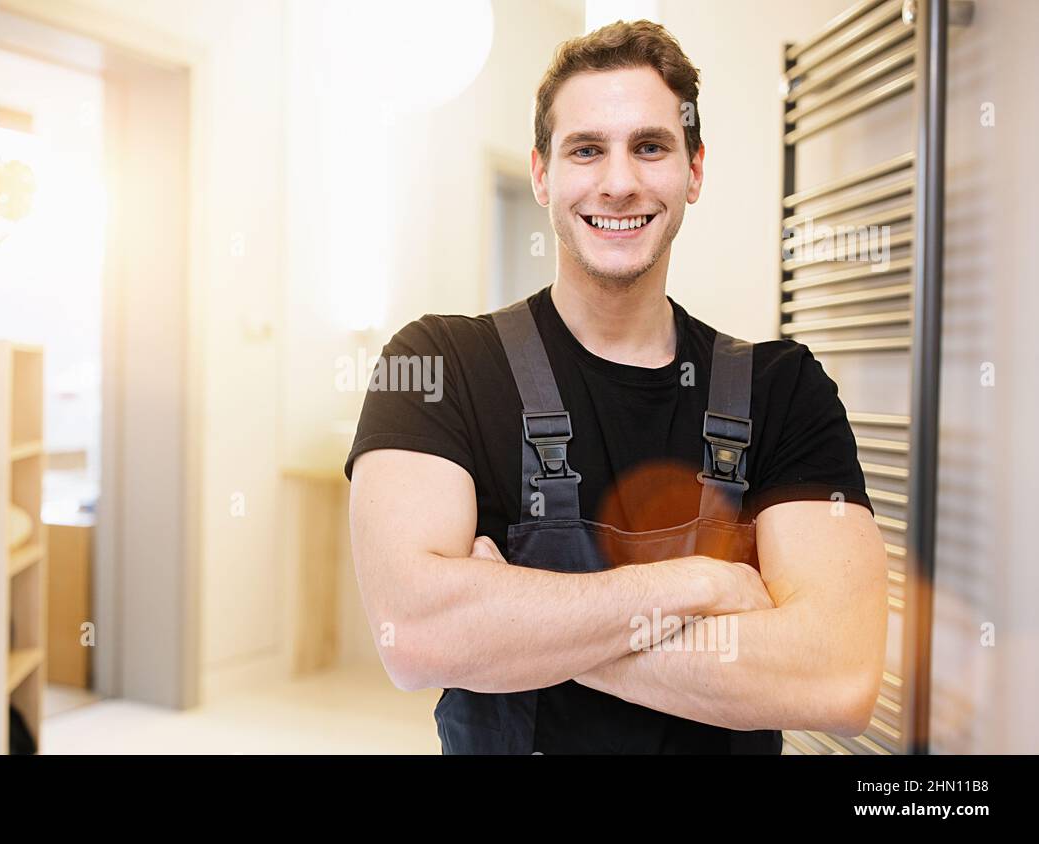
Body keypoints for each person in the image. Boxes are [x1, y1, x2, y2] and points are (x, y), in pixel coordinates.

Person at [344, 20, 888, 754]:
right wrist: (696, 585)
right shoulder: (441, 365)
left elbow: (837, 678)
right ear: (543, 174)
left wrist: (511, 628)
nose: (619, 180)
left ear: (695, 170)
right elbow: (412, 635)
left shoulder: (784, 391)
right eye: (587, 149)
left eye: (651, 146)